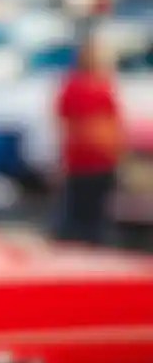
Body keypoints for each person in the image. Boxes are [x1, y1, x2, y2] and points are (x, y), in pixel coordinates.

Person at [53, 33, 125, 245]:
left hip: (95, 161)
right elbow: (78, 125)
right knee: (84, 215)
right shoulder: (83, 88)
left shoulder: (94, 86)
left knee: (89, 213)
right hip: (88, 161)